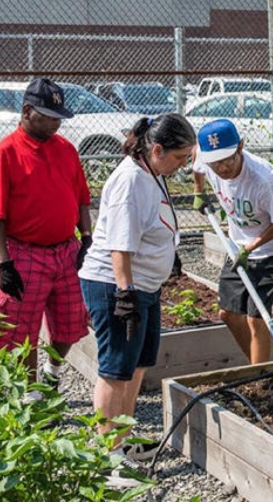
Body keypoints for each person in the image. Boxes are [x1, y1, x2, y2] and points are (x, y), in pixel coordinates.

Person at [78, 113, 196, 463]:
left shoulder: (152, 173)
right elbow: (120, 244)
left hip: (145, 285)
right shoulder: (130, 180)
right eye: (178, 158)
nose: (182, 165)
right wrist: (125, 293)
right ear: (157, 149)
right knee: (115, 370)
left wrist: (166, 255)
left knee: (139, 364)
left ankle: (124, 437)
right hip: (115, 285)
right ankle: (109, 455)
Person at [0, 77, 93, 403]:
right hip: (22, 251)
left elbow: (82, 199)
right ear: (27, 111)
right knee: (19, 328)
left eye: (59, 116)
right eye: (49, 116)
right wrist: (4, 262)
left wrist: (86, 239)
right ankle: (30, 392)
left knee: (72, 322)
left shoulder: (66, 150)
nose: (56, 123)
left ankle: (52, 373)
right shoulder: (6, 152)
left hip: (65, 249)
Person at [191, 119, 273, 364]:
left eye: (228, 158)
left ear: (241, 146)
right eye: (216, 161)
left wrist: (249, 248)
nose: (223, 167)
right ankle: (257, 367)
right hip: (237, 244)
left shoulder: (264, 179)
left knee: (256, 317)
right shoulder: (206, 160)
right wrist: (199, 192)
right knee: (227, 313)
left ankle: (259, 380)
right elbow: (196, 161)